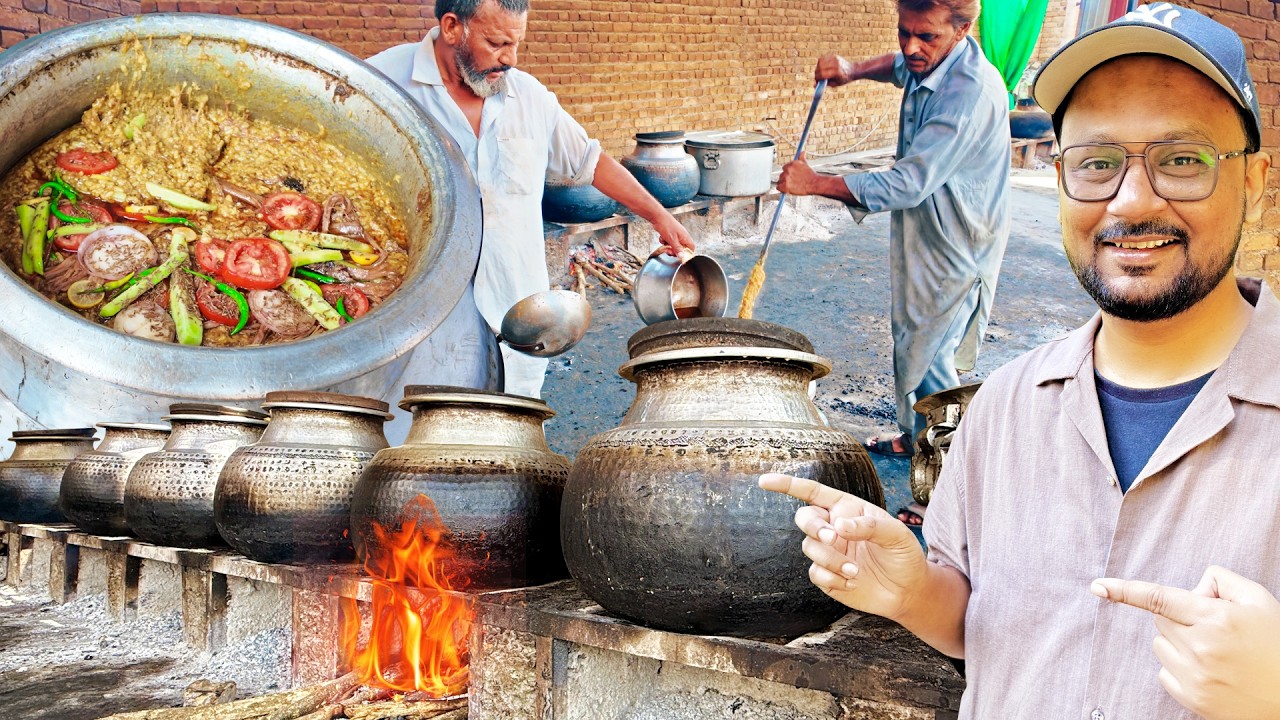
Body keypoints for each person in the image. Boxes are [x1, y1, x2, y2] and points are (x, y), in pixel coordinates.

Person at [761, 5, 1280, 718]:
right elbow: (982, 625)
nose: (1131, 200)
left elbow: (909, 181)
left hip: (952, 246)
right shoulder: (1003, 409)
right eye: (1097, 162)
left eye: (1182, 160)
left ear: (1253, 180)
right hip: (929, 247)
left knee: (930, 345)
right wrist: (914, 592)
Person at [367, 0, 694, 401]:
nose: (510, 59)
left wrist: (659, 216)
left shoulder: (529, 97)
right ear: (453, 27)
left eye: (516, 43)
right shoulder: (381, 83)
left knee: (512, 430)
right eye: (497, 43)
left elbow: (590, 162)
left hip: (514, 306)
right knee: (418, 430)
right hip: (421, 315)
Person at [776, 0, 1010, 464]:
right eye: (904, 32)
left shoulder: (969, 95)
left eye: (927, 37)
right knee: (912, 338)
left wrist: (816, 183)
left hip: (958, 242)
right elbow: (901, 66)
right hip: (925, 232)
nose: (911, 47)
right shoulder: (930, 58)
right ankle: (912, 435)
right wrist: (853, 70)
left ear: (964, 30)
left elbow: (906, 184)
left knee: (935, 359)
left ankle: (941, 484)